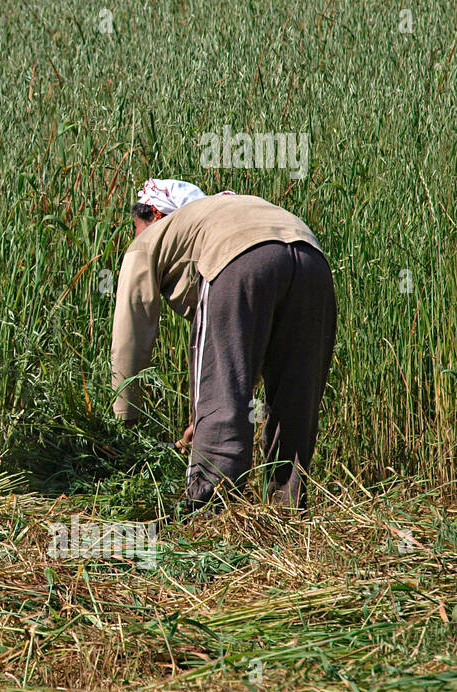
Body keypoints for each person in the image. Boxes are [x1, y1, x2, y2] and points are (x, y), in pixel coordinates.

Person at [111, 179, 336, 511]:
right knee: (296, 396)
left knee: (222, 425)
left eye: (136, 227)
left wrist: (124, 417)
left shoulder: (155, 237)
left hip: (240, 260)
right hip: (311, 260)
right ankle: (287, 510)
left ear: (156, 214)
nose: (135, 237)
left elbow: (131, 322)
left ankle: (210, 511)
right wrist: (202, 417)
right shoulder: (217, 214)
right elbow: (242, 355)